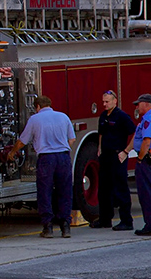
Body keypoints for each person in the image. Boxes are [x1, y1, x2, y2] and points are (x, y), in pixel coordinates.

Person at [8, 95, 76, 238]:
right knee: (65, 191)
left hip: (47, 159)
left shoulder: (35, 119)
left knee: (45, 192)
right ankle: (65, 226)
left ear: (37, 107)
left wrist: (13, 152)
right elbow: (72, 138)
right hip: (63, 157)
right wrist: (61, 148)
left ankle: (48, 227)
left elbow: (22, 141)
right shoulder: (63, 116)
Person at [92, 90, 136, 230]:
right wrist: (100, 147)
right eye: (103, 102)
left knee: (120, 188)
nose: (104, 104)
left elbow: (135, 133)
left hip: (118, 156)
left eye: (107, 101)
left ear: (115, 101)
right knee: (104, 188)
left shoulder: (122, 116)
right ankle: (105, 219)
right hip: (106, 156)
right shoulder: (103, 116)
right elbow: (101, 133)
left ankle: (126, 221)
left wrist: (126, 151)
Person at [121, 93, 151, 236]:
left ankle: (150, 225)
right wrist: (127, 151)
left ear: (147, 104)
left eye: (138, 105)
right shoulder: (144, 120)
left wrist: (140, 158)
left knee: (146, 193)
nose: (137, 108)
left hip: (146, 160)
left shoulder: (148, 119)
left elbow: (146, 141)